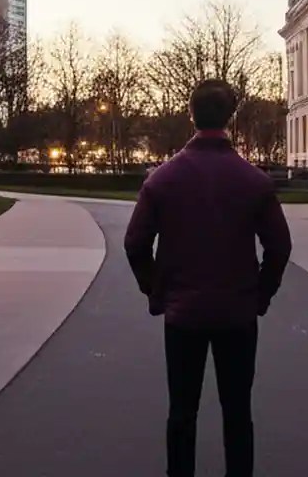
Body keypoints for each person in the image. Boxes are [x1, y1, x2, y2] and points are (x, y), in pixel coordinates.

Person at [124, 79, 292, 477]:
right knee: (238, 412)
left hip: (183, 314)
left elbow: (135, 244)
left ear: (190, 114)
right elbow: (279, 248)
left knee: (182, 411)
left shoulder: (163, 179)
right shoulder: (253, 180)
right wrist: (260, 295)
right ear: (230, 117)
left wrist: (156, 289)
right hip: (237, 312)